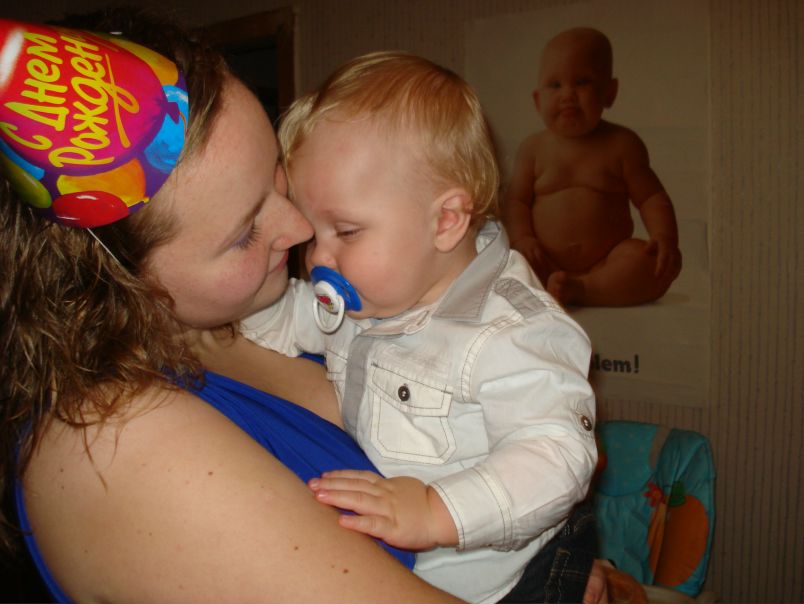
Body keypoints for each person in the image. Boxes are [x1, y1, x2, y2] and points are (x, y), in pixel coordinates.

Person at [0, 10, 608, 604]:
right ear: (117, 276)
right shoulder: (114, 445)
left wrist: (538, 542)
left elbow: (540, 453)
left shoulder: (412, 310)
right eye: (244, 232)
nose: (298, 232)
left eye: (278, 179)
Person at [241, 51, 599, 604]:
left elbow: (557, 458)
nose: (318, 259)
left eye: (347, 231)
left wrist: (437, 511)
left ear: (446, 220)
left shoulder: (512, 332)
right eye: (314, 233)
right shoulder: (367, 295)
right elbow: (290, 318)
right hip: (414, 571)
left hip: (513, 576)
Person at [502, 27, 682, 307]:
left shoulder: (622, 145)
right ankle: (553, 286)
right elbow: (516, 202)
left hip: (609, 262)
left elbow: (651, 198)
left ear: (609, 92)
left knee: (648, 262)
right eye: (555, 85)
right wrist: (522, 239)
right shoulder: (533, 149)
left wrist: (664, 238)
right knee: (503, 263)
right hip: (543, 261)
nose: (568, 95)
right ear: (537, 100)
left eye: (582, 82)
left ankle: (586, 289)